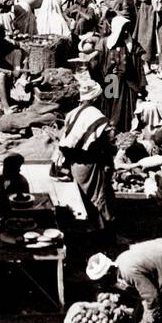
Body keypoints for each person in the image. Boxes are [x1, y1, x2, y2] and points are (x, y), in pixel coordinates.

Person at [58, 80, 115, 236]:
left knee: (82, 198)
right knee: (97, 198)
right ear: (96, 98)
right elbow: (104, 144)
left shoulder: (72, 113)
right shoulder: (98, 117)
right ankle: (101, 234)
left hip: (74, 163)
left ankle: (86, 231)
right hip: (90, 164)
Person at [97, 15, 146, 132]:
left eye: (127, 28)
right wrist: (100, 79)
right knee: (109, 105)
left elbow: (139, 67)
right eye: (123, 29)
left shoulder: (132, 45)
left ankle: (123, 130)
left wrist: (141, 86)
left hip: (128, 82)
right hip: (110, 80)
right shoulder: (105, 42)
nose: (126, 32)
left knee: (125, 108)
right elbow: (97, 63)